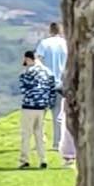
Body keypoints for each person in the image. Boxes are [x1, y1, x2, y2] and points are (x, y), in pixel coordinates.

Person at [38, 16, 72, 164]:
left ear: (50, 30)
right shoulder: (66, 44)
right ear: (61, 31)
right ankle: (57, 143)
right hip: (61, 83)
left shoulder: (44, 43)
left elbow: (38, 59)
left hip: (46, 82)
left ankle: (41, 139)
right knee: (58, 115)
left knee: (40, 113)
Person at [18, 40, 54, 167]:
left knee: (26, 134)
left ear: (28, 59)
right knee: (39, 133)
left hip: (29, 106)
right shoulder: (48, 72)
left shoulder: (27, 72)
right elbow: (52, 90)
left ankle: (25, 160)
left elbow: (23, 89)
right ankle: (43, 159)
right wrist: (49, 104)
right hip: (42, 107)